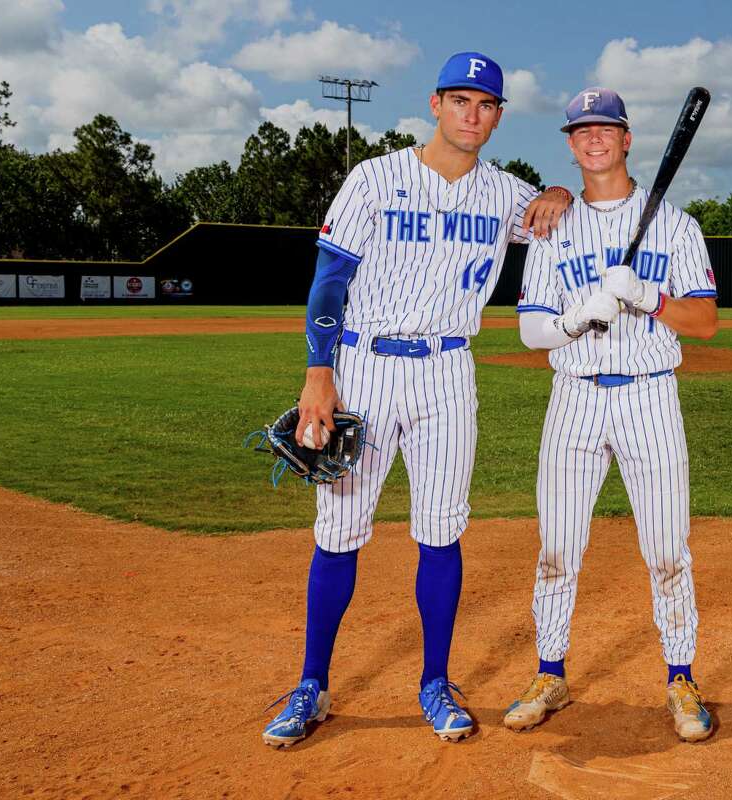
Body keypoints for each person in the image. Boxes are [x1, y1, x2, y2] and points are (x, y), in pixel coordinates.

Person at [261, 52, 574, 748]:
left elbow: (559, 214)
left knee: (441, 530)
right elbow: (328, 282)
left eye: (486, 104)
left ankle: (435, 682)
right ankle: (311, 684)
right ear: (434, 104)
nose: (472, 114)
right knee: (337, 531)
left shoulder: (503, 193)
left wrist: (559, 189)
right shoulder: (373, 179)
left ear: (498, 116)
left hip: (446, 372)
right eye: (460, 99)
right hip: (364, 366)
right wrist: (319, 373)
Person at [503, 87, 720, 741]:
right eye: (581, 130)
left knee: (666, 549)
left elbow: (705, 321)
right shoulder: (551, 225)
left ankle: (681, 676)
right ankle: (550, 672)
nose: (594, 138)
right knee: (557, 548)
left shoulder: (677, 227)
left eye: (607, 128)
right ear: (570, 146)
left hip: (650, 395)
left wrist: (649, 296)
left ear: (627, 140)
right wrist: (573, 320)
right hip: (573, 396)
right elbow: (530, 331)